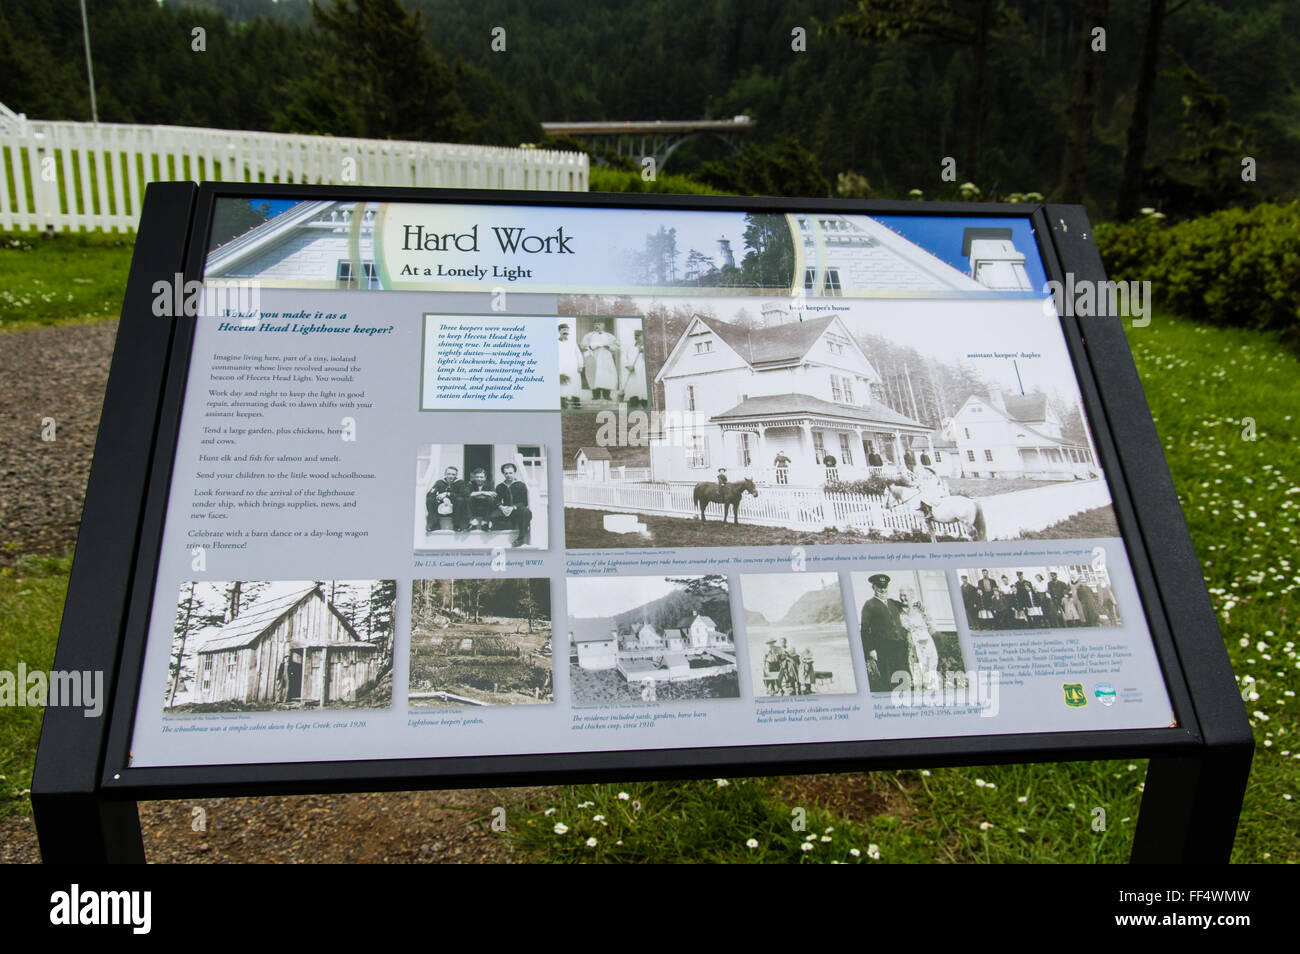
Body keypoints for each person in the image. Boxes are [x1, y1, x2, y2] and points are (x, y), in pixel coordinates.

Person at [860, 574, 909, 691]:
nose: (883, 589)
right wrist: (871, 649)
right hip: (884, 647)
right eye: (879, 587)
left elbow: (908, 605)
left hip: (900, 646)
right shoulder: (869, 605)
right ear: (874, 587)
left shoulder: (893, 603)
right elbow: (865, 630)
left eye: (885, 586)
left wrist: (919, 605)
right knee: (888, 676)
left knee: (902, 673)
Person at [897, 587, 939, 686]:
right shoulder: (900, 612)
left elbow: (931, 626)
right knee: (915, 671)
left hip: (925, 644)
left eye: (905, 595)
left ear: (912, 596)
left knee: (929, 670)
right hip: (911, 646)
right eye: (901, 595)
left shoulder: (920, 609)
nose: (902, 598)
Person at [492, 462, 533, 547]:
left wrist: (513, 507)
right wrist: (501, 507)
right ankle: (509, 524)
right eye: (506, 473)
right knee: (493, 515)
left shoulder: (521, 485)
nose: (508, 475)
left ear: (514, 473)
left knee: (526, 512)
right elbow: (497, 500)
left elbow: (524, 502)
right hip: (505, 510)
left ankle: (521, 538)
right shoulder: (500, 486)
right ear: (503, 474)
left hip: (516, 510)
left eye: (510, 473)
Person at [580, 319, 620, 401]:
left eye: (599, 324)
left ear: (603, 325)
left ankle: (607, 395)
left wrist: (608, 347)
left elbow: (617, 346)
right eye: (595, 324)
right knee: (593, 375)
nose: (597, 326)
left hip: (606, 358)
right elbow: (583, 346)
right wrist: (592, 347)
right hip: (593, 358)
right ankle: (596, 395)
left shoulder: (609, 336)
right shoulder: (588, 336)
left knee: (607, 375)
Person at [427, 465, 469, 532]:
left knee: (460, 499)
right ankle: (435, 524)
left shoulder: (460, 483)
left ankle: (457, 524)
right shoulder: (439, 482)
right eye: (448, 474)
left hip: (455, 506)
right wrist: (442, 498)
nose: (450, 476)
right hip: (442, 505)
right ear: (445, 474)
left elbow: (465, 495)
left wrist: (448, 494)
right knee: (430, 499)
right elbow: (430, 494)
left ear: (456, 475)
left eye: (453, 474)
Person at [558, 323, 583, 408]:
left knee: (575, 385)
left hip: (573, 368)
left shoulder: (572, 342)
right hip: (562, 369)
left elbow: (578, 354)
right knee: (563, 387)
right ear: (559, 331)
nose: (565, 331)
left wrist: (580, 365)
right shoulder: (555, 343)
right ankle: (563, 404)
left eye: (567, 330)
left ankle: (576, 404)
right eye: (563, 330)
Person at [623, 329, 648, 409]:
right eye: (636, 336)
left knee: (644, 393)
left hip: (643, 374)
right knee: (633, 392)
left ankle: (645, 405)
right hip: (633, 374)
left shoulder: (646, 347)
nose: (637, 337)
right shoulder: (630, 347)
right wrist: (628, 366)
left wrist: (643, 352)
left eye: (639, 335)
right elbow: (624, 358)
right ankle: (633, 405)